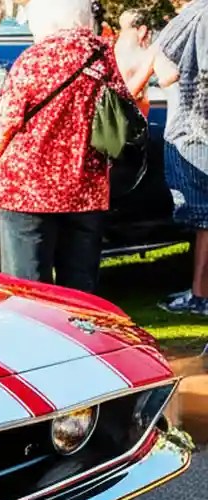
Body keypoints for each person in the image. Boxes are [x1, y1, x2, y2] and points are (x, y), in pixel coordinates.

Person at [0, 0, 131, 293]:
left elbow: (5, 119)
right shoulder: (104, 59)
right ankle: (76, 337)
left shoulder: (36, 58)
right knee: (80, 293)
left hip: (28, 188)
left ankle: (33, 339)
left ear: (45, 21)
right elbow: (121, 116)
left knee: (27, 289)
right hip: (85, 187)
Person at [151, 0, 207, 315]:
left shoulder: (193, 15)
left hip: (197, 129)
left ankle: (200, 295)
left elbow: (165, 73)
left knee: (204, 219)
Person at [113, 8, 155, 116]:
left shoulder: (117, 50)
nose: (121, 34)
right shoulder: (135, 56)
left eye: (124, 29)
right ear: (142, 31)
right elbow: (129, 92)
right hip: (131, 116)